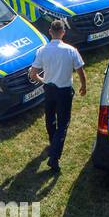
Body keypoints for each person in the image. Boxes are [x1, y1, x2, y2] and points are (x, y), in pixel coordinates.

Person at [28, 19, 87, 174]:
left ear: (50, 32)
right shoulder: (71, 50)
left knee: (50, 120)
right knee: (63, 123)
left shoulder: (42, 50)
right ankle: (54, 156)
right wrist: (83, 86)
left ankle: (53, 143)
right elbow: (80, 70)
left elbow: (33, 74)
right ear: (63, 32)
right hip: (64, 91)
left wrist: (44, 81)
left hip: (49, 89)